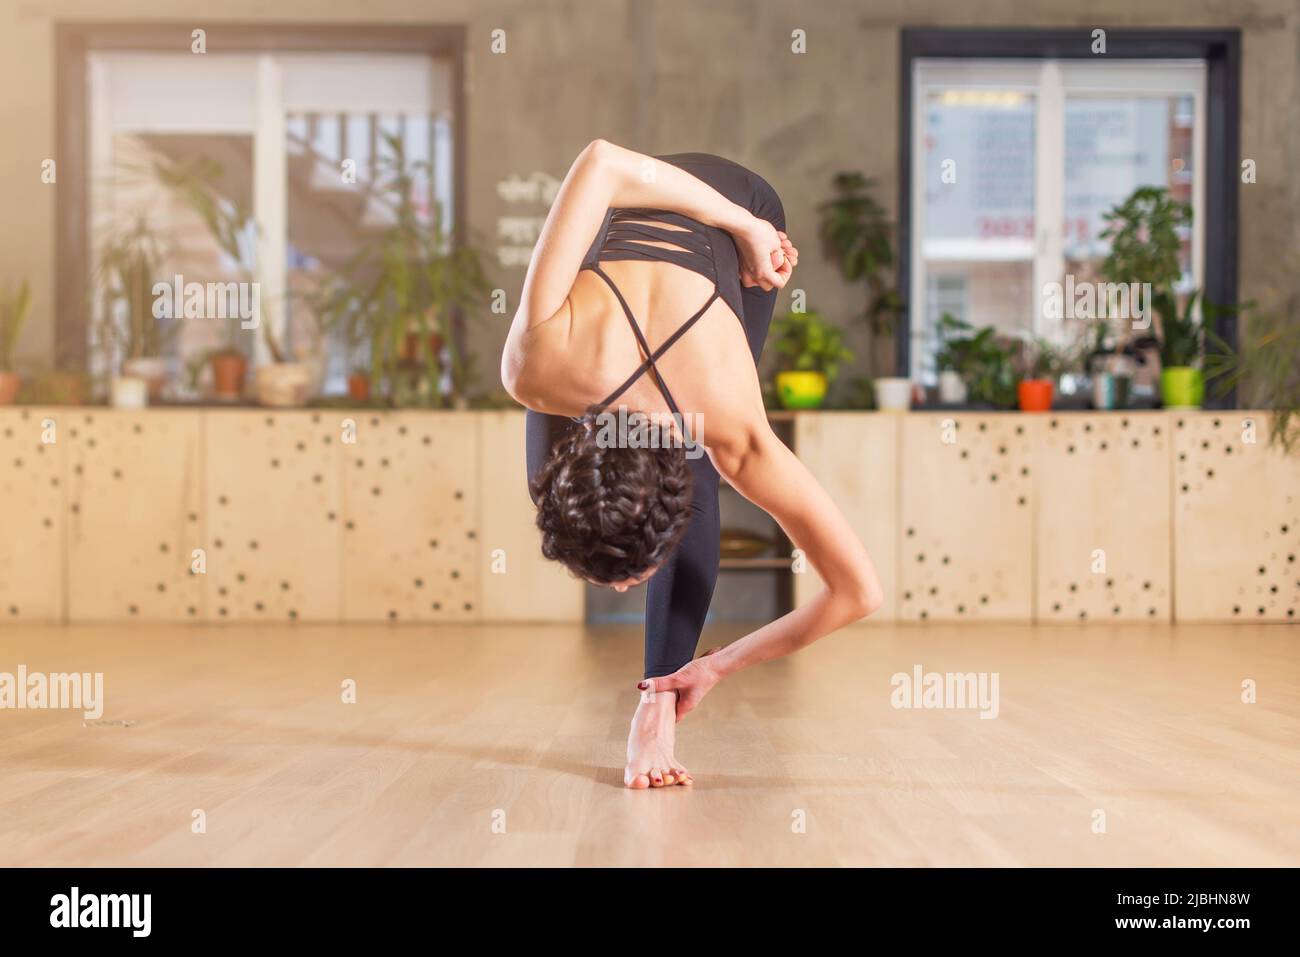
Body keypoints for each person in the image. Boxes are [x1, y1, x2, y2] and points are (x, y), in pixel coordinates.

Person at [502, 140, 883, 788]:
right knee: (556, 477)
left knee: (698, 452)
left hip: (741, 206)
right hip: (654, 249)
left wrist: (748, 226)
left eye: (627, 578)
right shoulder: (537, 362)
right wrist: (716, 666)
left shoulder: (735, 432)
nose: (622, 589)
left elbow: (858, 593)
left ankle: (658, 704)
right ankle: (659, 681)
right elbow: (602, 163)